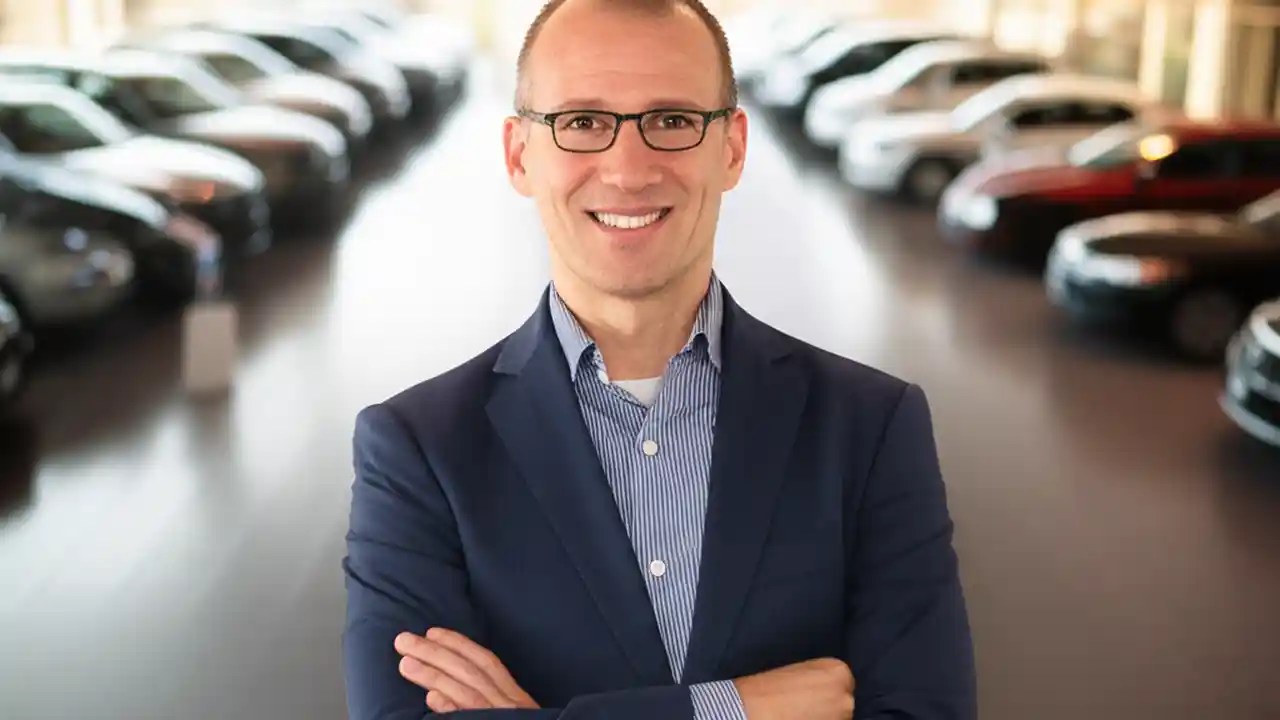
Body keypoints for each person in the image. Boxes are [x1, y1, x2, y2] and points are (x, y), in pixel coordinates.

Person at [342, 1, 977, 718]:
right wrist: (731, 709)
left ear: (732, 148)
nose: (627, 167)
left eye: (672, 121)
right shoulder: (417, 449)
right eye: (582, 122)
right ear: (520, 154)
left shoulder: (872, 427)